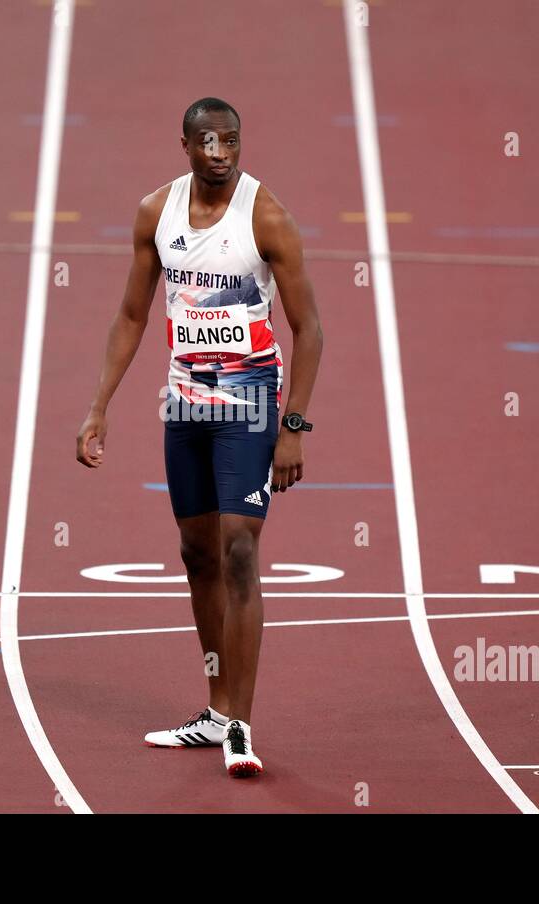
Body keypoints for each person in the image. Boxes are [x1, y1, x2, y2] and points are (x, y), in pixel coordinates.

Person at [76, 97, 323, 778]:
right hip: (184, 407)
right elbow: (131, 314)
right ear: (184, 145)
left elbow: (312, 330)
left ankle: (240, 725)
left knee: (240, 551)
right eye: (208, 143)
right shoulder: (156, 213)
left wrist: (293, 428)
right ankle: (215, 712)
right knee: (196, 553)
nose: (221, 153)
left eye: (232, 142)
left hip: (248, 404)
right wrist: (99, 406)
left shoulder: (265, 217)